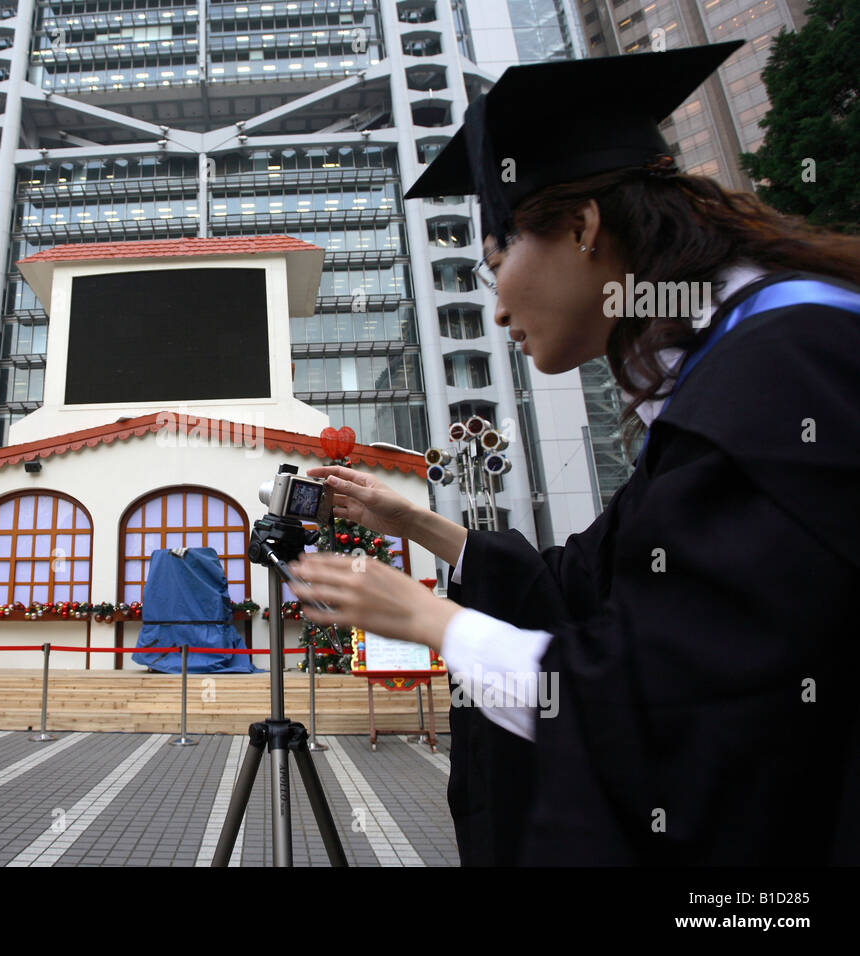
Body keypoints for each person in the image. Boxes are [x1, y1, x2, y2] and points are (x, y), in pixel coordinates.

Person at [291, 41, 860, 865]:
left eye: (497, 264)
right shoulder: (734, 367)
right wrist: (409, 520)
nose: (495, 313)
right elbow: (578, 585)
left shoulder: (791, 365)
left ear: (583, 228)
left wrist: (431, 620)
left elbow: (680, 702)